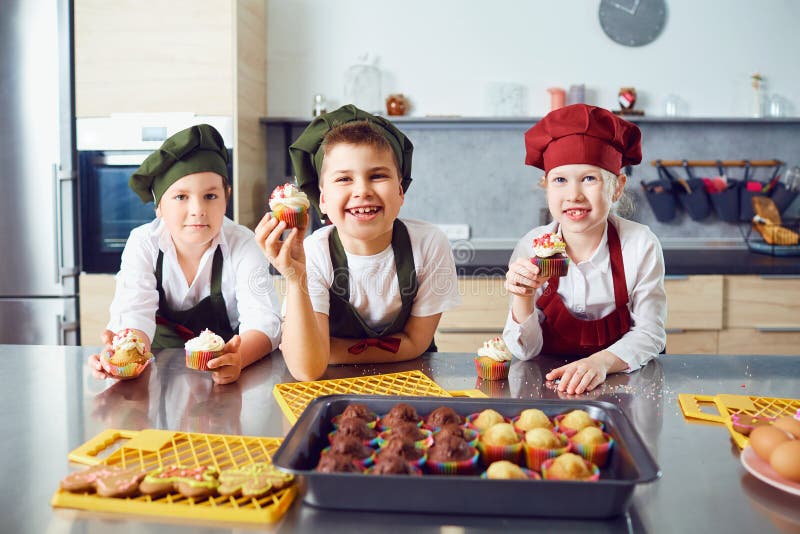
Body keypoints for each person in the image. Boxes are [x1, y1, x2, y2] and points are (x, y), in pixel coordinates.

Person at [255, 105, 460, 381]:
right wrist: (295, 278)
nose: (362, 190)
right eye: (344, 179)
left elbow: (416, 343)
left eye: (377, 175)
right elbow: (307, 368)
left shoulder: (428, 244)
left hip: (413, 380)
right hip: (329, 387)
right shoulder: (314, 253)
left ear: (401, 192)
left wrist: (330, 350)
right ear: (322, 200)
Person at [88, 124, 282, 384]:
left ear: (227, 196)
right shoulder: (143, 243)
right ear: (159, 207)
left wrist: (238, 358)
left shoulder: (243, 243)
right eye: (181, 197)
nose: (197, 209)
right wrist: (125, 353)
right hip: (161, 373)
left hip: (226, 368)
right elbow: (135, 311)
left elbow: (264, 320)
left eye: (210, 195)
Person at [503, 104, 667, 395]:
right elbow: (524, 352)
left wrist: (599, 363)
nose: (574, 195)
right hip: (547, 385)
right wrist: (522, 298)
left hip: (623, 385)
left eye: (589, 178)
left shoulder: (640, 245)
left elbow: (650, 333)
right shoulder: (531, 245)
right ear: (547, 187)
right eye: (560, 180)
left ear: (617, 188)